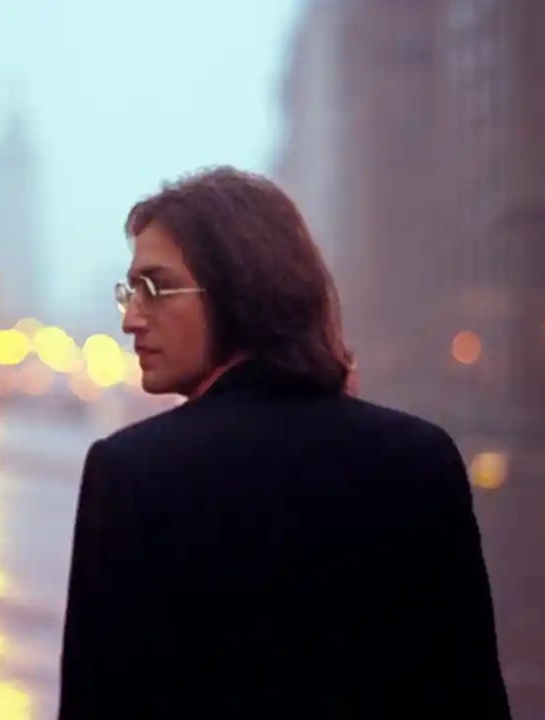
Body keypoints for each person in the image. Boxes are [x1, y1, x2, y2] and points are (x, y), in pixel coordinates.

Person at [58, 167, 510, 718]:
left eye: (155, 288)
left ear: (240, 289)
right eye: (130, 292)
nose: (131, 319)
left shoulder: (131, 473)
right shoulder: (423, 459)